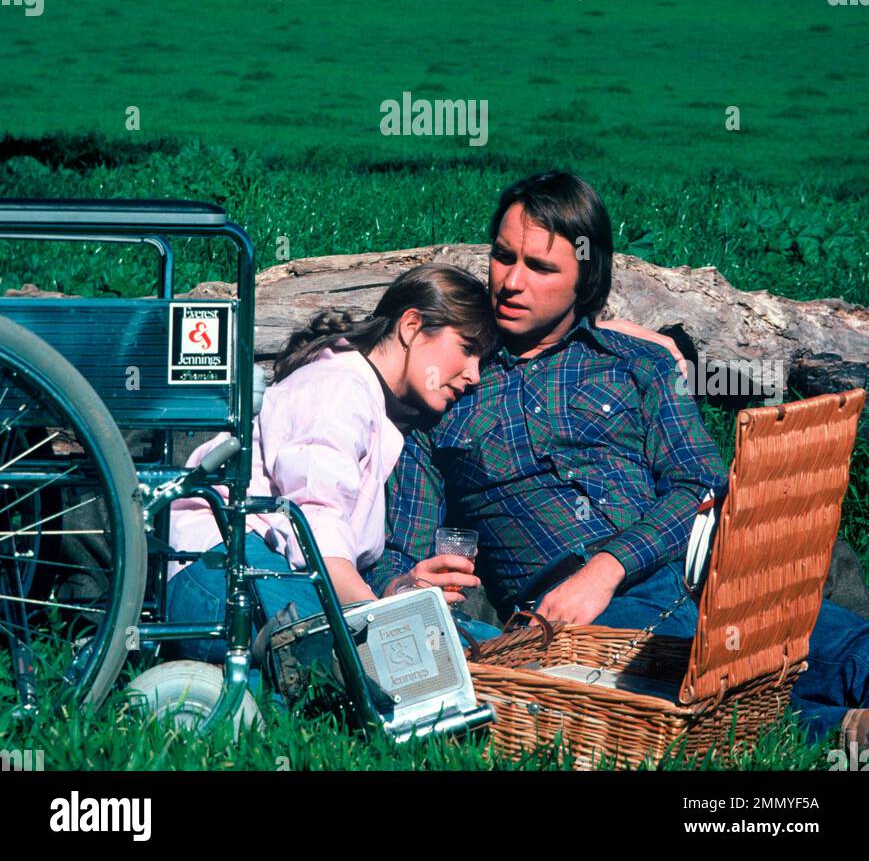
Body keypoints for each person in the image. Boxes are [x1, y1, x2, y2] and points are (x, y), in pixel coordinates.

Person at [368, 170, 869, 748]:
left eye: (541, 268)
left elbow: (701, 484)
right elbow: (398, 553)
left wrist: (603, 570)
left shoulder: (638, 365)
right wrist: (403, 584)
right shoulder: (445, 390)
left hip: (702, 581)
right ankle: (841, 735)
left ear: (586, 280)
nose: (510, 282)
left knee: (851, 651)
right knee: (687, 706)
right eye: (503, 258)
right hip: (580, 627)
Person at [166, 263, 500, 658]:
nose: (474, 375)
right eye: (467, 349)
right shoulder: (340, 388)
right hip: (221, 568)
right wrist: (385, 622)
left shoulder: (376, 407)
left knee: (468, 642)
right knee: (406, 656)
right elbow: (317, 531)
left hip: (265, 575)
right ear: (412, 326)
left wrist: (401, 592)